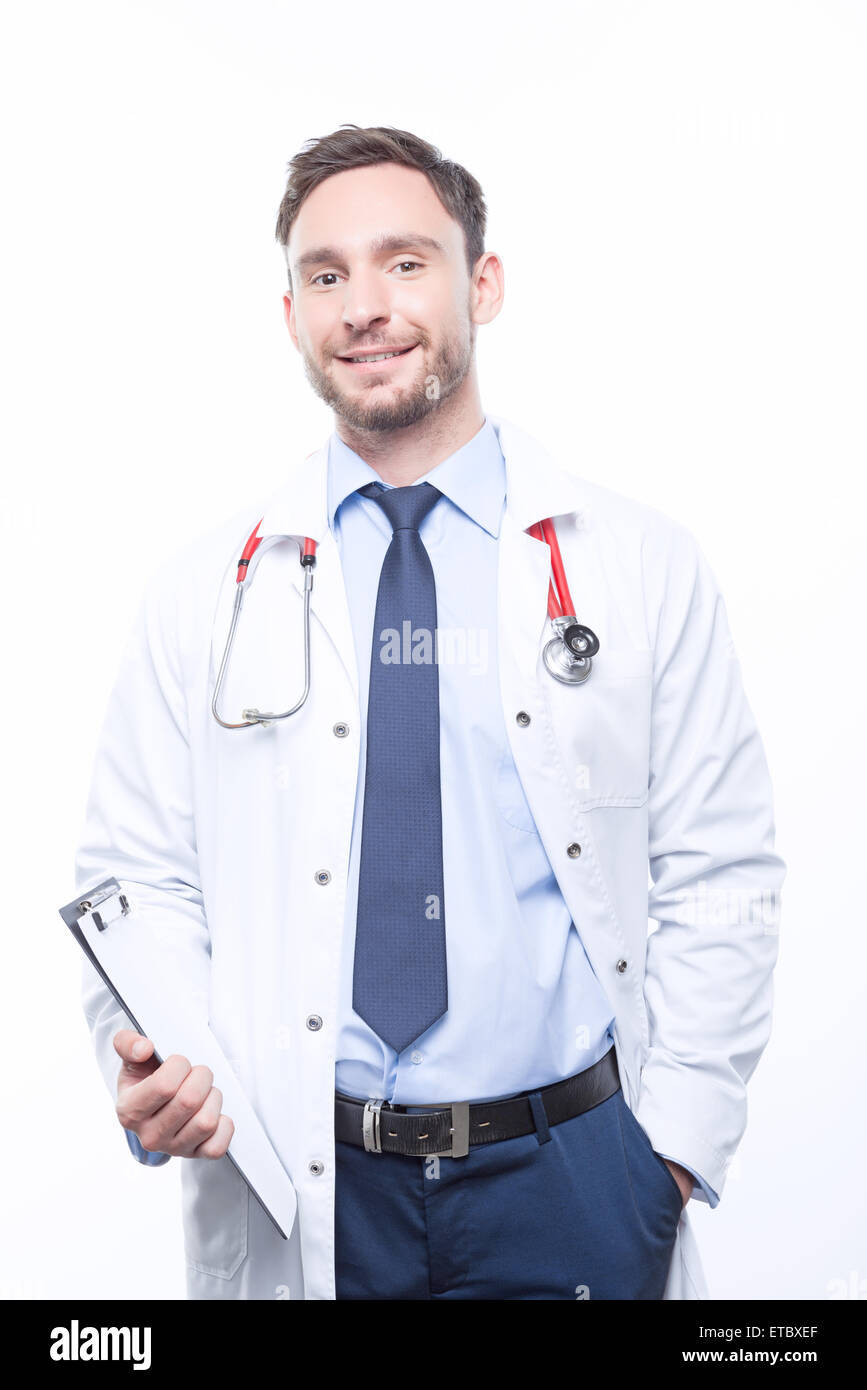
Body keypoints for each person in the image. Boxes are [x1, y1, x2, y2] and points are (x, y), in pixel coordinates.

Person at [75, 124, 785, 1300]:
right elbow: (138, 877)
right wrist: (155, 1071)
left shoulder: (638, 565)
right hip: (313, 1184)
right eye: (326, 273)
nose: (366, 305)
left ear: (483, 283)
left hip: (572, 1181)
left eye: (406, 262)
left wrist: (664, 1160)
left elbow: (721, 869)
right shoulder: (206, 593)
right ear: (291, 312)